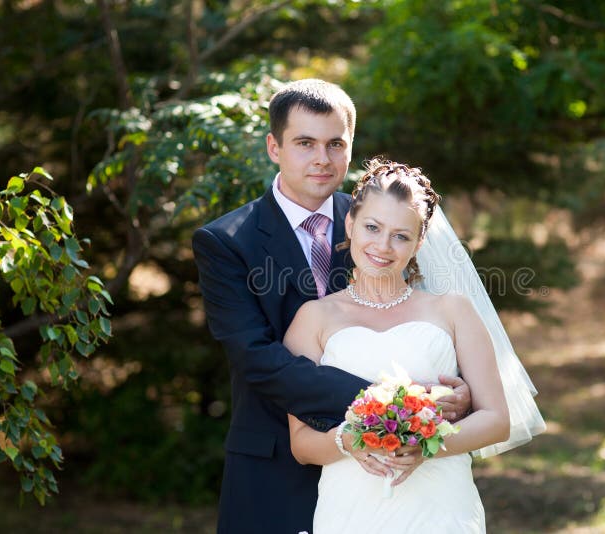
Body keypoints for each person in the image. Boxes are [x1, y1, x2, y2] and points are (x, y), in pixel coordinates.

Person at [191, 79, 471, 534]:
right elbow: (257, 360)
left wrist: (456, 394)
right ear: (273, 147)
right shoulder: (226, 242)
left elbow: (427, 321)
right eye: (305, 143)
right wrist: (392, 405)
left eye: (335, 144)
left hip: (395, 473)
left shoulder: (382, 220)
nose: (322, 159)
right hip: (276, 461)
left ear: (350, 147)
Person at [283, 159, 512, 533]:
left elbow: (496, 421)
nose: (383, 246)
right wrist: (349, 441)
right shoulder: (313, 319)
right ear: (350, 224)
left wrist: (427, 446)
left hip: (442, 507)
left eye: (401, 235)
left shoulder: (453, 310)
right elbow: (302, 444)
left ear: (419, 242)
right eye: (372, 227)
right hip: (351, 508)